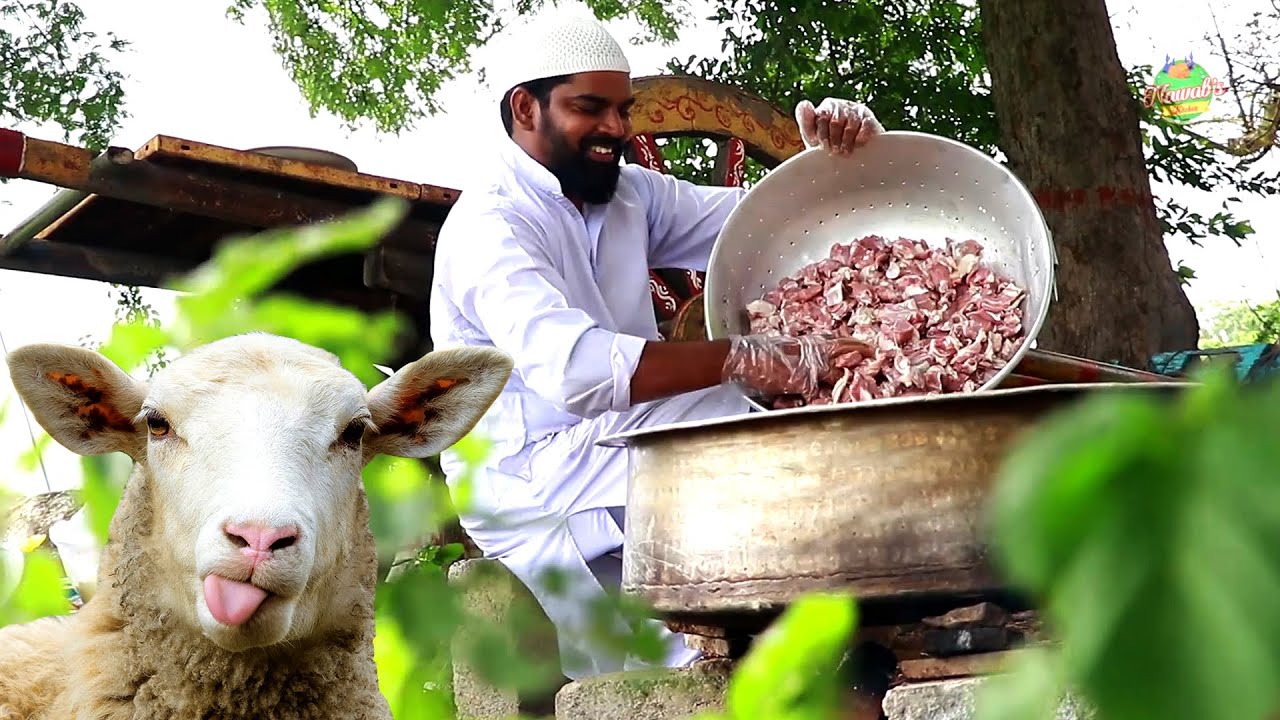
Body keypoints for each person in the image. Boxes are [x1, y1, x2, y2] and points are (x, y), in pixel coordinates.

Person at [427, 7, 885, 681]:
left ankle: (850, 624)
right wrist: (749, 357)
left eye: (623, 109)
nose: (616, 128)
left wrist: (834, 161)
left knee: (778, 414)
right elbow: (577, 371)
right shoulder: (490, 227)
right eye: (591, 108)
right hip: (533, 481)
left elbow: (764, 224)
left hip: (618, 439)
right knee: (679, 680)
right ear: (525, 108)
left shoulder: (628, 196)